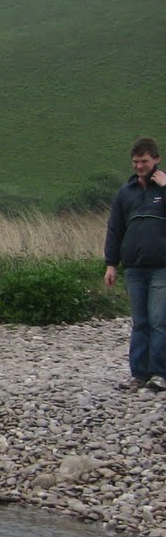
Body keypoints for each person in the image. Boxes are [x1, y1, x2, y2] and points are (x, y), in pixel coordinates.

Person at [103, 136, 166, 391]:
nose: (139, 166)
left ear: (156, 160)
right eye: (135, 162)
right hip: (134, 268)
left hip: (162, 267)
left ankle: (159, 373)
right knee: (139, 321)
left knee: (158, 321)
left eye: (144, 161)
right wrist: (111, 264)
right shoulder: (125, 192)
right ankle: (139, 373)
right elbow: (114, 229)